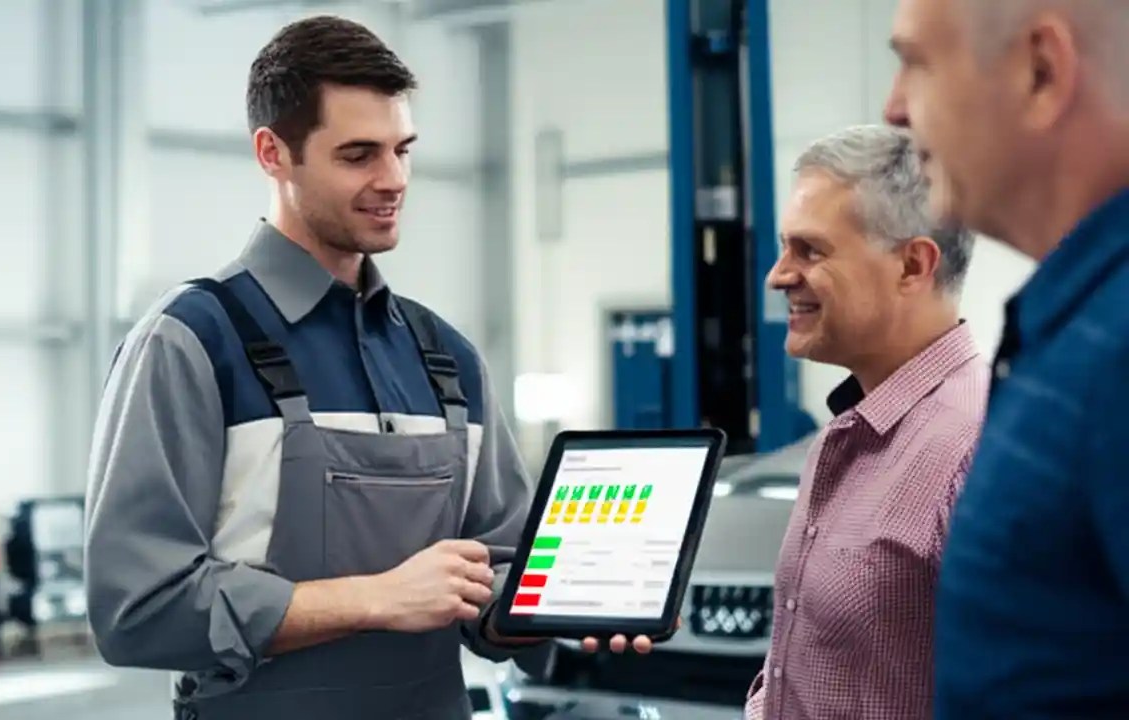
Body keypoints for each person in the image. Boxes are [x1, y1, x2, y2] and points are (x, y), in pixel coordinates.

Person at [83, 15, 659, 720]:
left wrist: (572, 608)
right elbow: (137, 607)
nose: (393, 180)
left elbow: (496, 572)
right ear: (273, 153)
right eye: (358, 155)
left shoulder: (447, 357)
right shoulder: (189, 345)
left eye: (402, 150)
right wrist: (377, 598)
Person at [884, 1, 1129, 716]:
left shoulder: (1117, 353)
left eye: (917, 63)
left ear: (1040, 71)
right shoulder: (1082, 323)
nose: (893, 107)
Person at [743, 125, 988, 720]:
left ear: (912, 264)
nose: (778, 275)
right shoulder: (843, 438)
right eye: (783, 247)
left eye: (810, 251)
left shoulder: (977, 451)